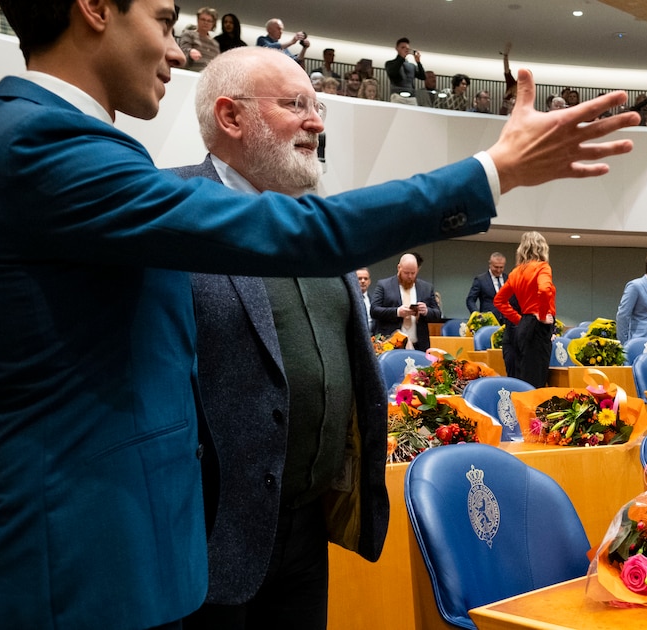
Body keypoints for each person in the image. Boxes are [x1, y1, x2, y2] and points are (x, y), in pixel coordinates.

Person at [0, 0, 639, 624]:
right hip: (71, 569)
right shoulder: (40, 147)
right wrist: (495, 170)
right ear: (94, 8)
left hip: (147, 549)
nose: (180, 49)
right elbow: (300, 235)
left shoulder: (50, 143)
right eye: (163, 19)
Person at [170, 48, 387, 629]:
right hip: (210, 539)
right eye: (295, 105)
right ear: (231, 117)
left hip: (305, 528)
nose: (317, 121)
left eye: (317, 105)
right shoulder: (174, 212)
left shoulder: (319, 224)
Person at [493, 231, 555, 387]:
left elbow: (499, 300)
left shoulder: (516, 272)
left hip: (524, 325)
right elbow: (544, 290)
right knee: (536, 379)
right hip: (538, 326)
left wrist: (519, 320)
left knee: (523, 377)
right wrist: (541, 316)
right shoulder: (542, 267)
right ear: (542, 248)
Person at [370, 254, 441, 350]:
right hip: (390, 344)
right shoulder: (384, 285)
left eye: (413, 273)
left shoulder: (427, 288)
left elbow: (437, 314)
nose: (410, 276)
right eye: (406, 273)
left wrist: (426, 311)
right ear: (399, 268)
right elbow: (374, 310)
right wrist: (397, 312)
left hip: (418, 344)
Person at [466, 252, 507, 321]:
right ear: (490, 264)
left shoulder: (509, 279)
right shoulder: (481, 280)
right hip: (488, 320)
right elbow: (470, 300)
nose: (498, 270)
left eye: (501, 267)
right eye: (496, 267)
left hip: (507, 321)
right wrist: (477, 315)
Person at [177, 6, 219, 71]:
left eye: (209, 21)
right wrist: (190, 51)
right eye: (203, 19)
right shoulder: (188, 34)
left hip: (208, 75)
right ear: (198, 20)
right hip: (190, 72)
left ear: (213, 24)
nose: (206, 22)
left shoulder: (215, 44)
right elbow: (183, 50)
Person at [385, 37, 425, 105]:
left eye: (407, 48)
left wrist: (418, 62)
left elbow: (423, 76)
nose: (405, 50)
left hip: (411, 96)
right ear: (397, 48)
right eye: (402, 47)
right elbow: (393, 73)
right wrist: (401, 58)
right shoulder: (390, 63)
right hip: (397, 95)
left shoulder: (412, 66)